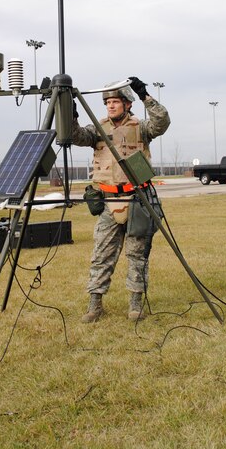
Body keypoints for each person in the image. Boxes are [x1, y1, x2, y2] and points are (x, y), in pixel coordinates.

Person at [71, 76, 170, 322]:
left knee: (137, 254)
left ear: (127, 104)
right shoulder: (97, 128)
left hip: (137, 201)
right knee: (101, 254)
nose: (111, 106)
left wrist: (145, 95)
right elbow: (76, 136)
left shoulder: (141, 127)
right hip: (108, 202)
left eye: (116, 101)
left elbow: (162, 122)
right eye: (108, 102)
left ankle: (135, 304)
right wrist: (70, 112)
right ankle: (95, 305)